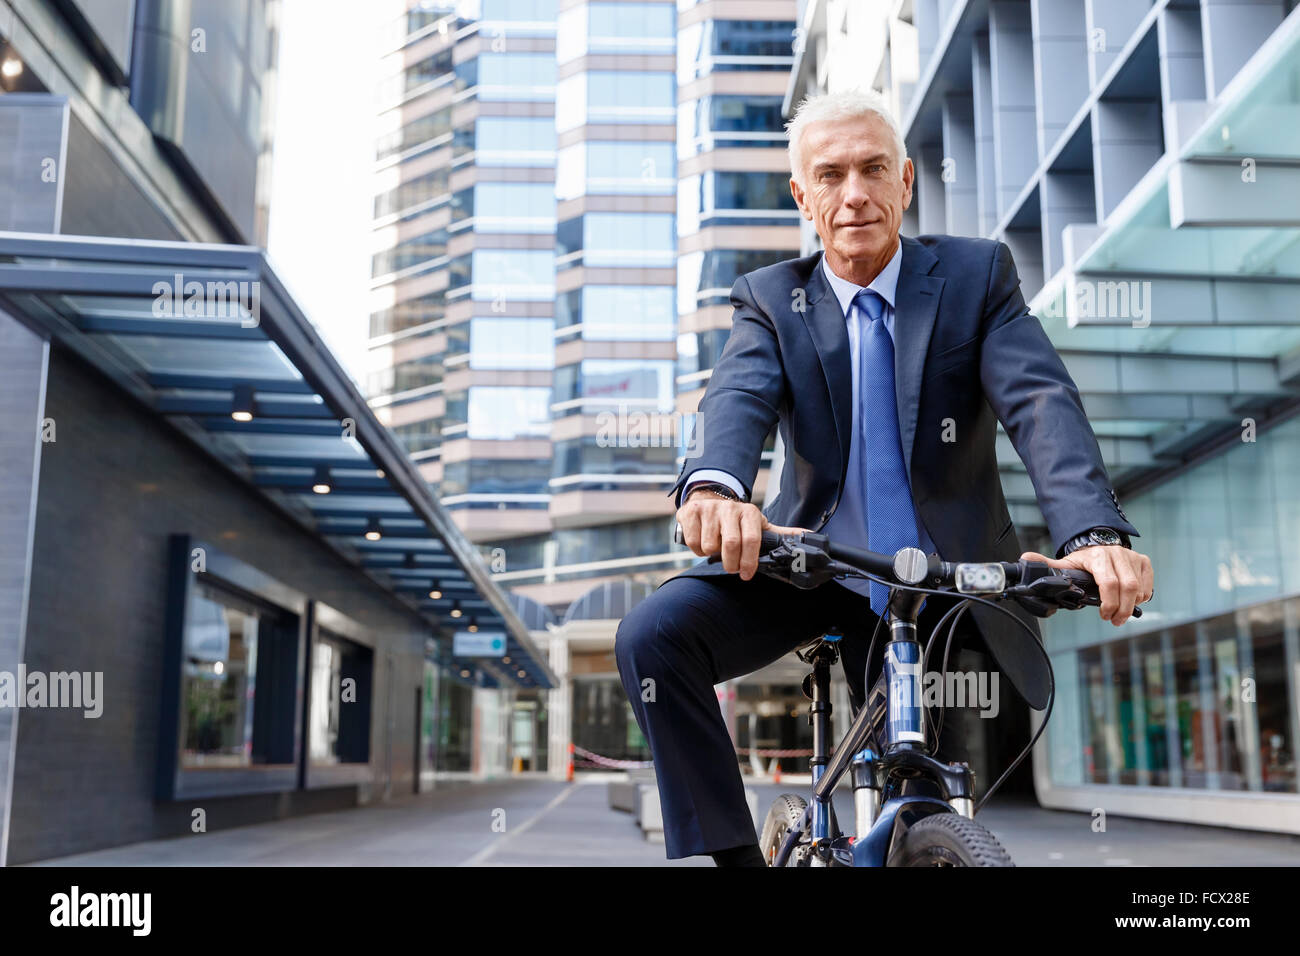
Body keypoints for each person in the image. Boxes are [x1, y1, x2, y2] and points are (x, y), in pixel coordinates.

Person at [614, 87, 1154, 866]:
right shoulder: (770, 300)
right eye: (830, 175)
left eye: (874, 169)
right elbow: (737, 399)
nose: (855, 193)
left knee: (931, 792)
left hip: (949, 580)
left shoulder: (976, 278)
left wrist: (1093, 534)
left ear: (906, 181)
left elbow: (1042, 403)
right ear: (803, 196)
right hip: (818, 566)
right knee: (653, 636)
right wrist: (716, 489)